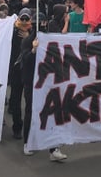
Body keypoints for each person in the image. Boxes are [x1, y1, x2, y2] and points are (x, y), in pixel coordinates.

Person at [19, 30, 68, 161]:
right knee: (30, 112)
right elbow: (25, 60)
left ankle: (53, 148)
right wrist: (34, 50)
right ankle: (28, 143)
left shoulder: (50, 42)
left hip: (48, 83)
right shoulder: (27, 42)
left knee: (52, 113)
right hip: (31, 84)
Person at [9, 8, 34, 140]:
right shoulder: (12, 31)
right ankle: (17, 126)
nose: (24, 22)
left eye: (26, 19)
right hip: (16, 69)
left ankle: (29, 128)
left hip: (29, 71)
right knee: (15, 99)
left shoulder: (33, 33)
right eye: (22, 19)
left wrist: (28, 38)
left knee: (30, 101)